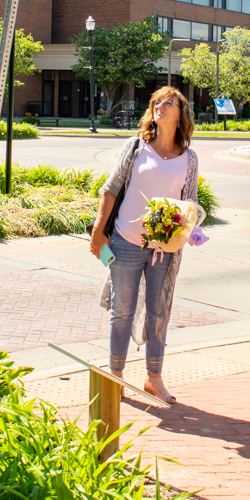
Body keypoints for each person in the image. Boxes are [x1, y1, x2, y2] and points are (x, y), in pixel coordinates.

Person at [89, 86, 199, 404]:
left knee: (158, 312)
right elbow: (111, 189)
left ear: (181, 113)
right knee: (122, 311)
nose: (160, 106)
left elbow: (189, 203)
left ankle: (154, 378)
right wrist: (99, 232)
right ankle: (116, 377)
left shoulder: (188, 159)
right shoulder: (137, 146)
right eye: (156, 102)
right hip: (124, 240)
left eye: (169, 102)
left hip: (162, 249)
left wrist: (183, 233)